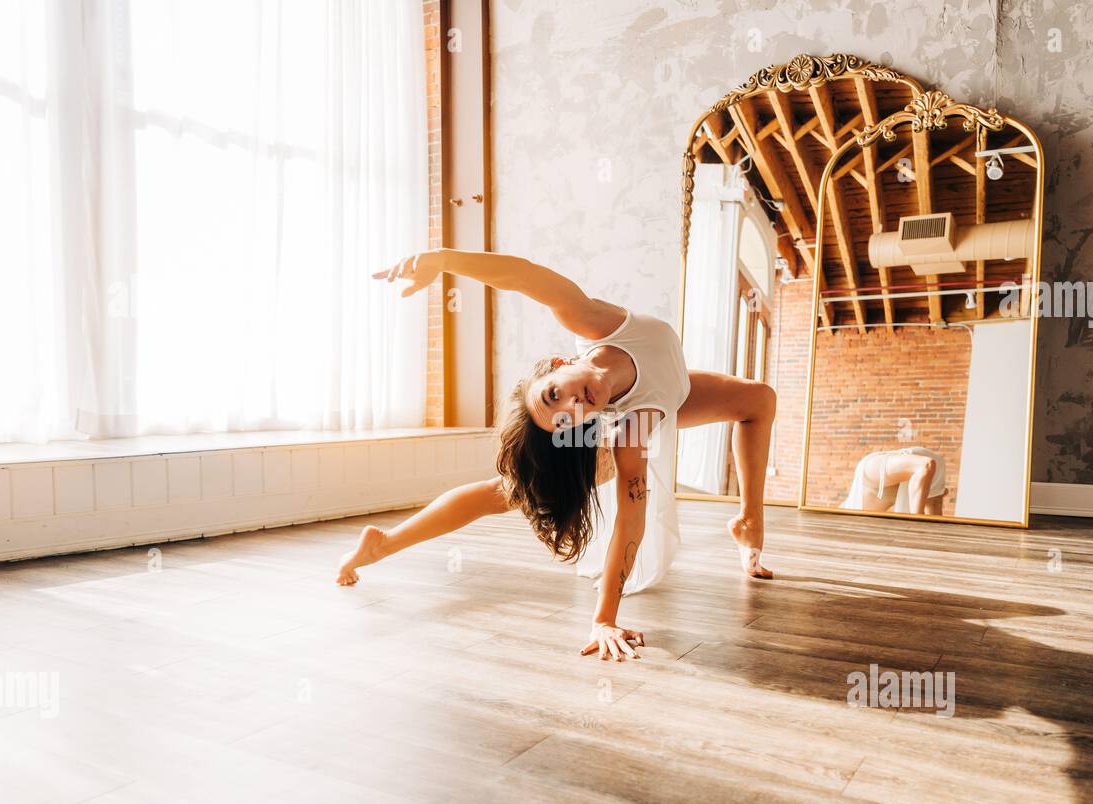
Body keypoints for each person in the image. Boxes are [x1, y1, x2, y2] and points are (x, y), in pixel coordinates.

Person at [336, 249, 777, 661]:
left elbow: (525, 277)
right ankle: (383, 544)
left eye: (553, 395)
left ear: (559, 363)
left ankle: (748, 520)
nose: (573, 407)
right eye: (566, 420)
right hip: (653, 402)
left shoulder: (598, 322)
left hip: (672, 387)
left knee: (759, 400)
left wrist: (442, 260)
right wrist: (604, 618)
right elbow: (631, 516)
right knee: (510, 492)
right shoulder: (631, 429)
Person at [841, 446, 946, 515]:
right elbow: (927, 465)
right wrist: (916, 521)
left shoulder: (934, 494)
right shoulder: (934, 472)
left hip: (877, 481)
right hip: (876, 470)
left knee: (843, 522)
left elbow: (934, 516)